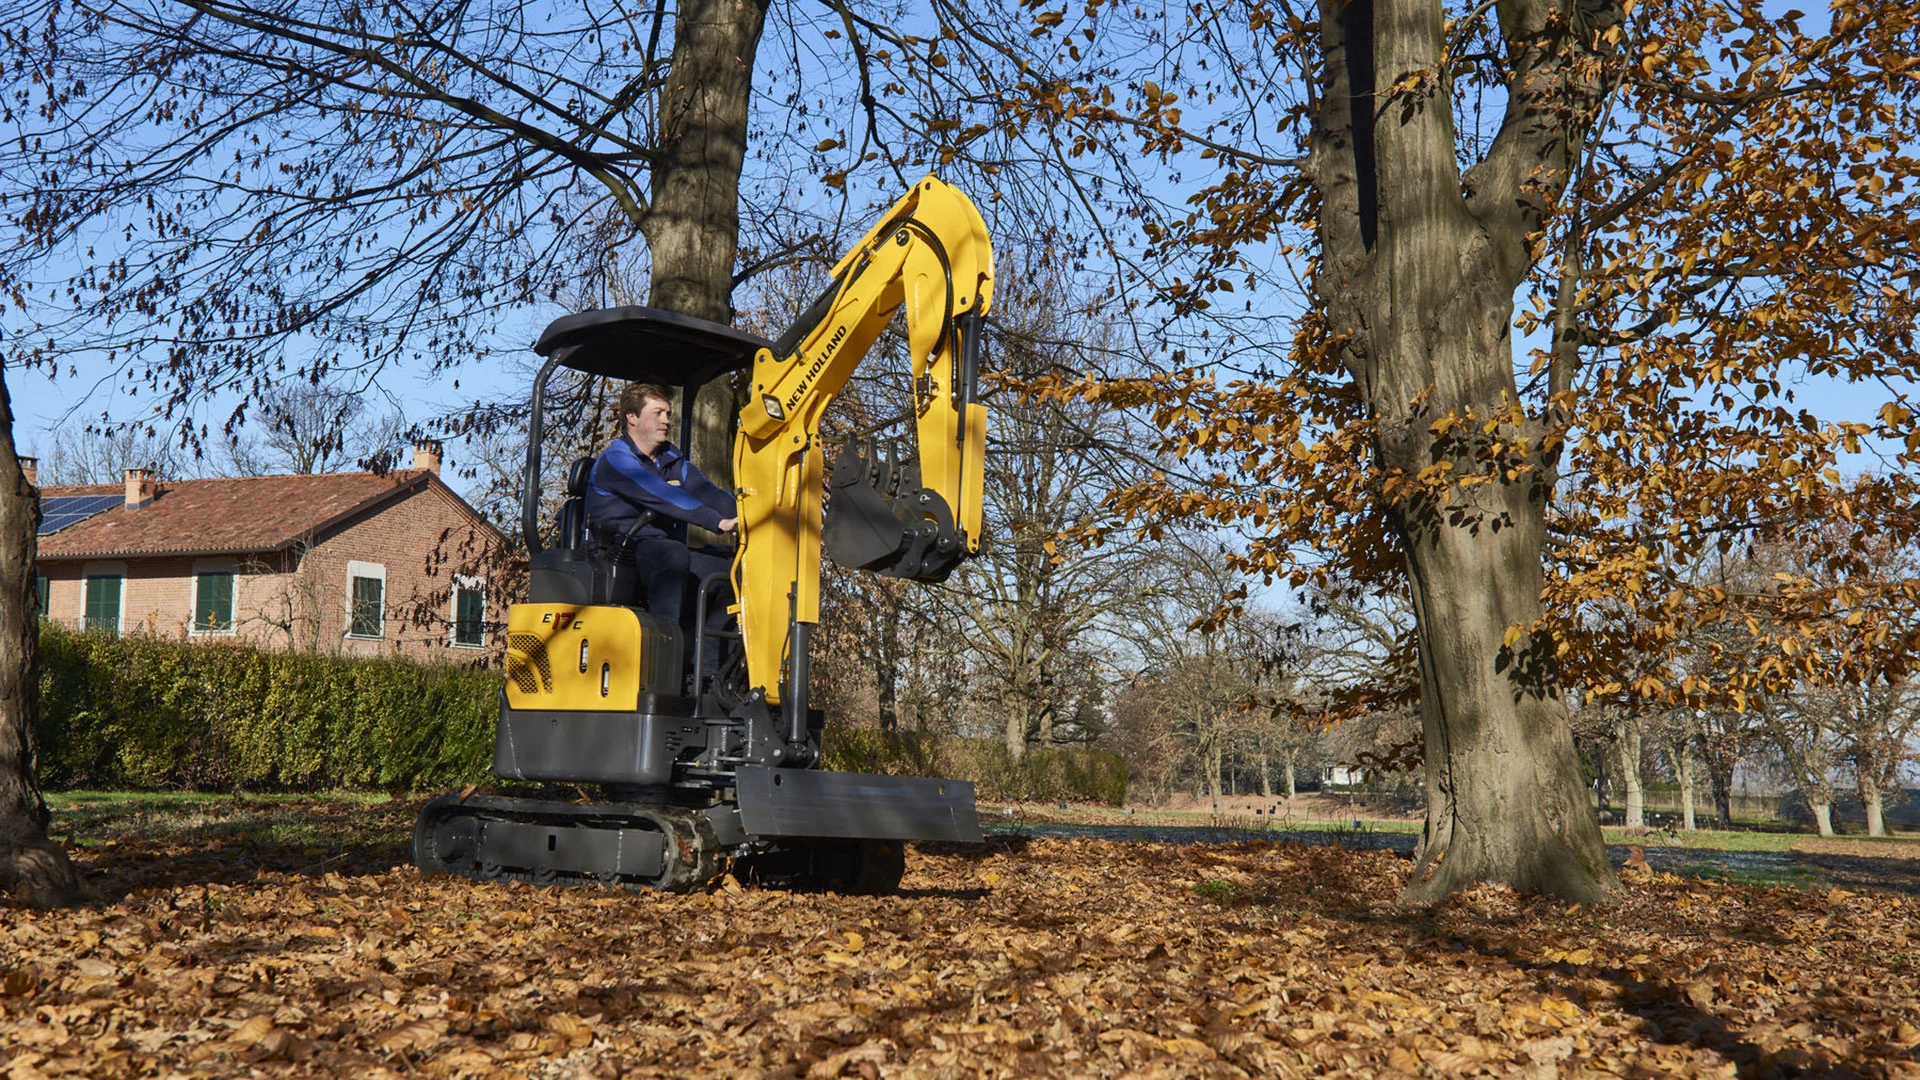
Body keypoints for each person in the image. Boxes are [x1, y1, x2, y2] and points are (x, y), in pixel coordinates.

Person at [584, 382, 737, 671]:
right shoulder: (616, 461)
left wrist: (753, 515)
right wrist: (717, 521)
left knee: (728, 568)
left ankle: (707, 673)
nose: (666, 420)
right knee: (671, 554)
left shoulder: (671, 460)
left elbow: (708, 493)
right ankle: (661, 663)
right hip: (621, 553)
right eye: (658, 413)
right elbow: (662, 495)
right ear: (632, 418)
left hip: (663, 550)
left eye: (668, 413)